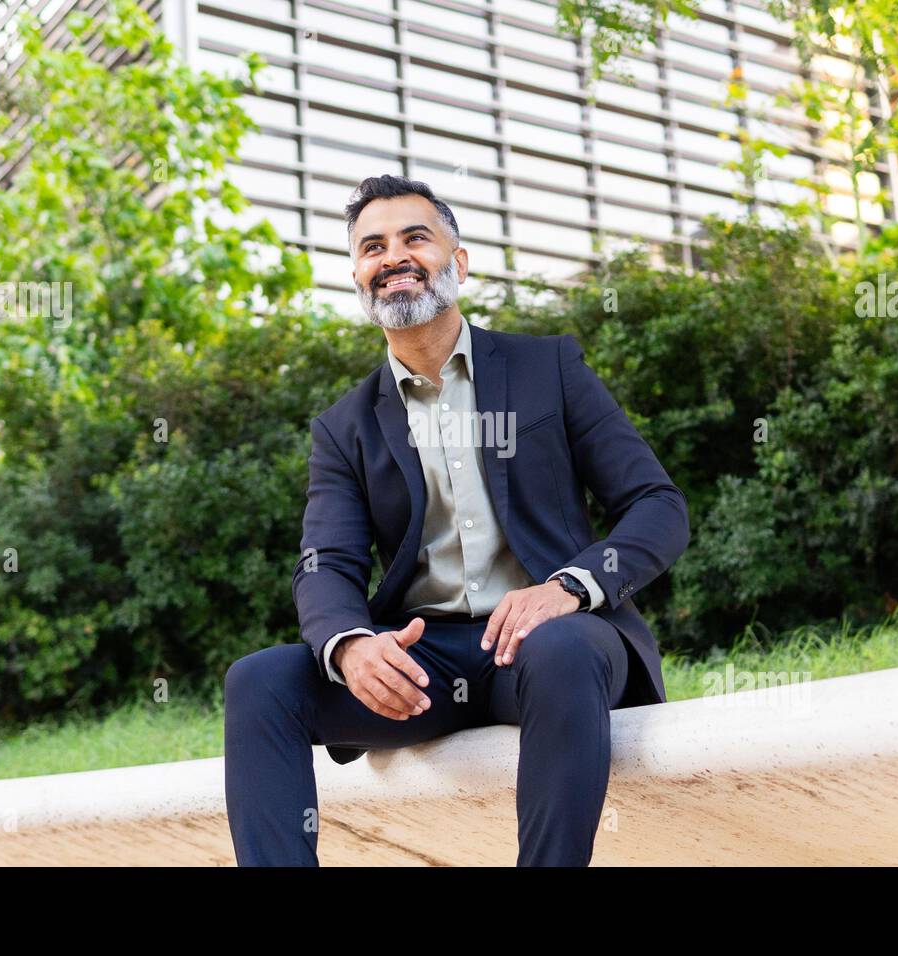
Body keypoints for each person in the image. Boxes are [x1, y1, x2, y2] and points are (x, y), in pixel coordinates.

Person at [224, 174, 690, 866]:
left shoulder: (548, 368)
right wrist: (352, 646)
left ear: (459, 262)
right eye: (372, 247)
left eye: (416, 237)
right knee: (258, 681)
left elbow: (658, 506)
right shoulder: (344, 427)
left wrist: (567, 589)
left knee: (558, 650)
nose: (393, 257)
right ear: (358, 275)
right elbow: (326, 563)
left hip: (552, 643)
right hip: (426, 664)